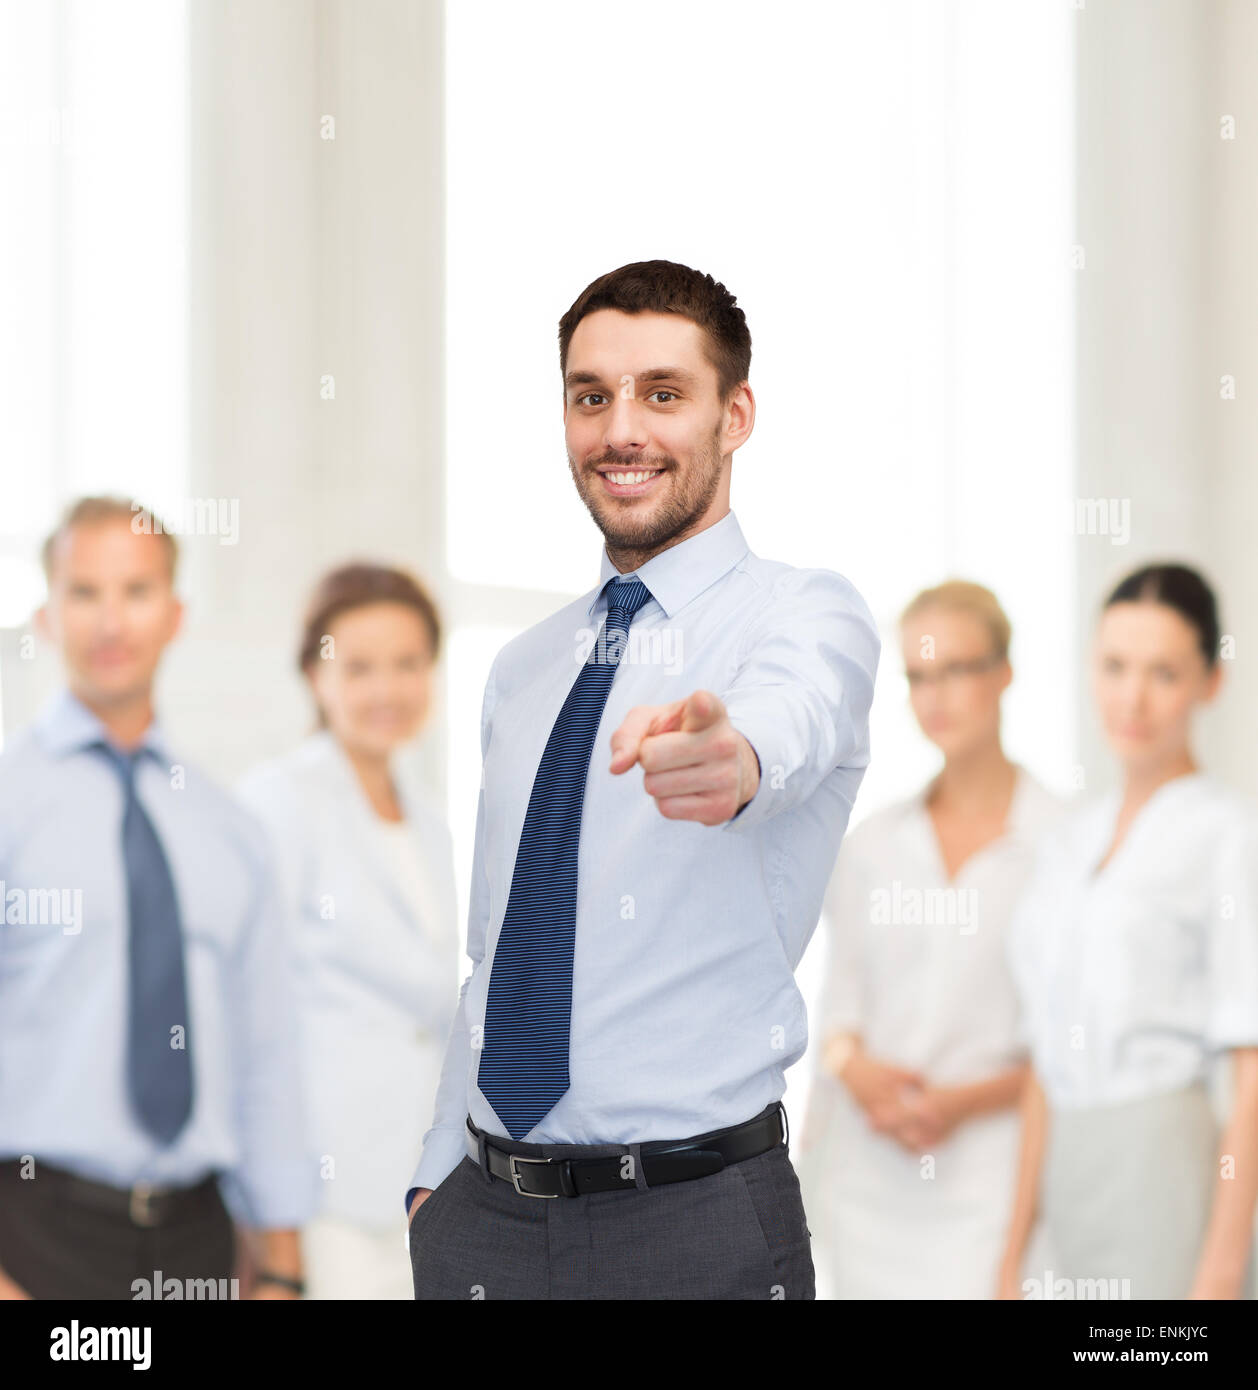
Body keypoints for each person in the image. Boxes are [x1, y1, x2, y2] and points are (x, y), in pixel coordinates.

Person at [406, 259, 880, 1300]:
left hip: (693, 1225)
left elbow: (787, 720)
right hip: (480, 1222)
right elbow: (495, 947)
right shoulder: (523, 670)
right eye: (591, 396)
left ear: (735, 413)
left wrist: (733, 757)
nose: (621, 429)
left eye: (663, 393)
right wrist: (435, 1173)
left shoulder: (803, 616)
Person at [0, 496, 314, 1301]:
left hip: (198, 1244)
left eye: (136, 592)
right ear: (45, 613)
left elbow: (265, 1056)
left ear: (174, 615)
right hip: (33, 1235)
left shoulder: (229, 828)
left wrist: (281, 1269)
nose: (112, 621)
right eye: (84, 592)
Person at [797, 580, 1064, 1298]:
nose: (936, 695)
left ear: (1004, 673)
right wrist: (861, 1076)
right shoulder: (873, 846)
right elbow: (838, 1018)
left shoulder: (1062, 844)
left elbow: (1063, 1048)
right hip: (869, 1184)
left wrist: (958, 1103)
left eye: (957, 669)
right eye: (918, 677)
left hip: (992, 1185)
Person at [999, 563, 1258, 1300]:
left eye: (1164, 673)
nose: (1132, 698)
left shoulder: (1228, 836)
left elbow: (1252, 1078)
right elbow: (1043, 1068)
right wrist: (1011, 1259)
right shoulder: (1066, 845)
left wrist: (1219, 1276)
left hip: (1165, 1170)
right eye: (1115, 667)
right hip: (1068, 1179)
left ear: (1210, 682)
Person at [238, 563, 458, 1300]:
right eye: (357, 667)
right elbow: (249, 1019)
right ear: (314, 674)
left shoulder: (430, 819)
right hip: (326, 1195)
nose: (386, 689)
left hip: (426, 1186)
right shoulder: (278, 804)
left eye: (407, 664)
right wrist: (276, 1232)